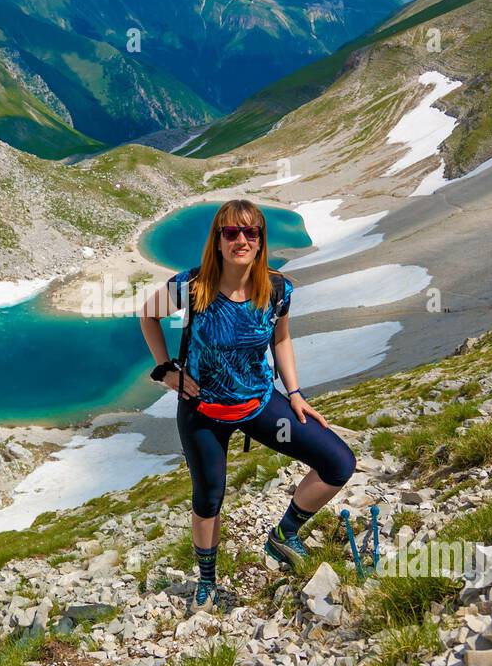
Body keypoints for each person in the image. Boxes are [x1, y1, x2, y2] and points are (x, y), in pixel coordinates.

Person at [138, 200, 357, 614]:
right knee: (209, 498)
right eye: (231, 232)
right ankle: (207, 581)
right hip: (203, 411)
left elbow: (281, 340)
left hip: (259, 405)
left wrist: (294, 394)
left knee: (338, 463)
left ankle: (284, 534)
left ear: (261, 240)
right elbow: (148, 316)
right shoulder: (193, 285)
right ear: (218, 240)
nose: (242, 240)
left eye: (251, 232)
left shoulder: (276, 289)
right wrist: (165, 370)